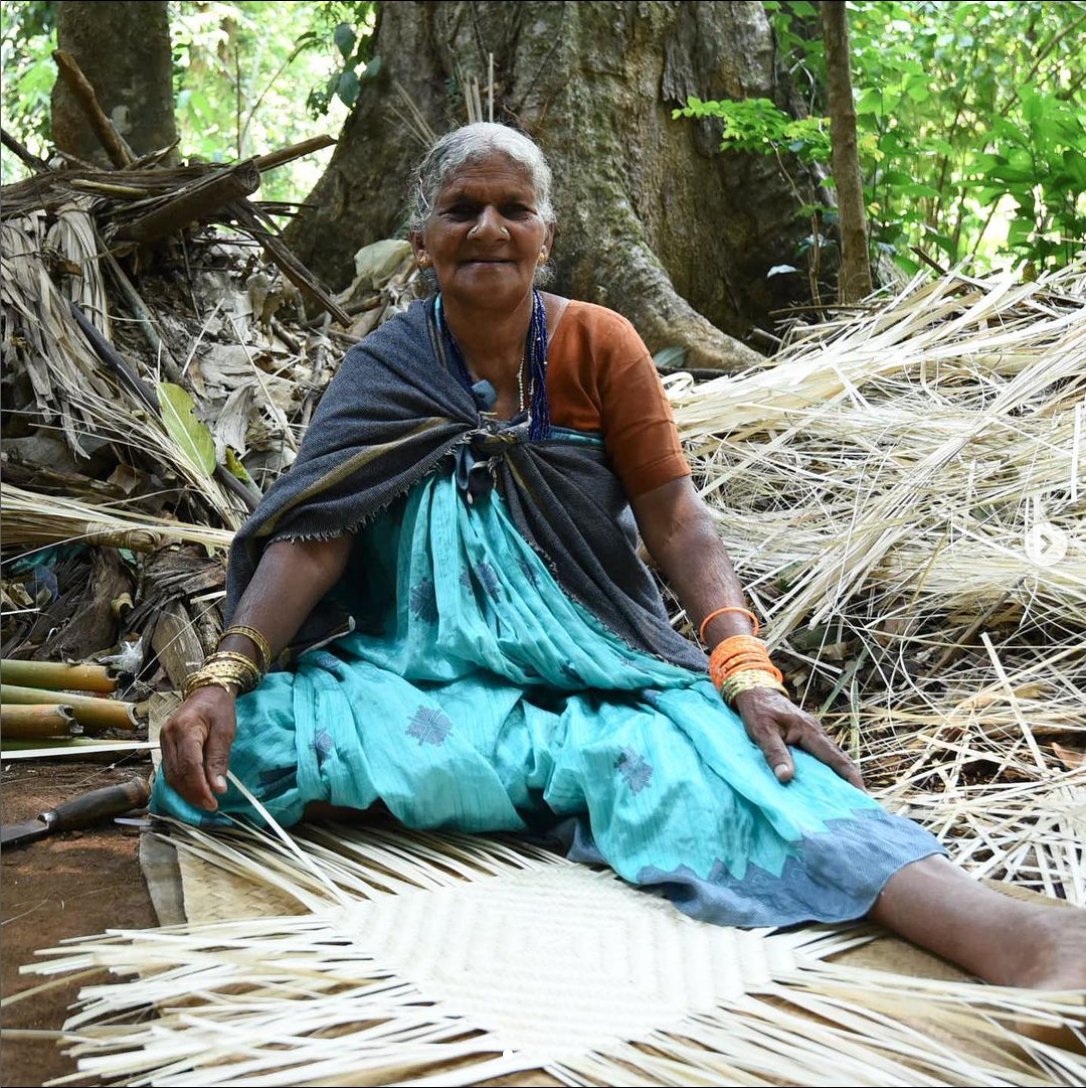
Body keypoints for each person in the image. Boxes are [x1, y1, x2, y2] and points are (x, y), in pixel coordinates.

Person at [156, 122, 1084, 993]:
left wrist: (745, 666)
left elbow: (676, 518)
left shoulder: (599, 344)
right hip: (427, 686)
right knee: (232, 758)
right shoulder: (386, 371)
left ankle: (1008, 932)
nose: (489, 228)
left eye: (514, 209)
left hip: (601, 681)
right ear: (421, 238)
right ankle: (555, 789)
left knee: (744, 769)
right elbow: (317, 541)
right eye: (462, 208)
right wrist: (224, 679)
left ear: (546, 235)